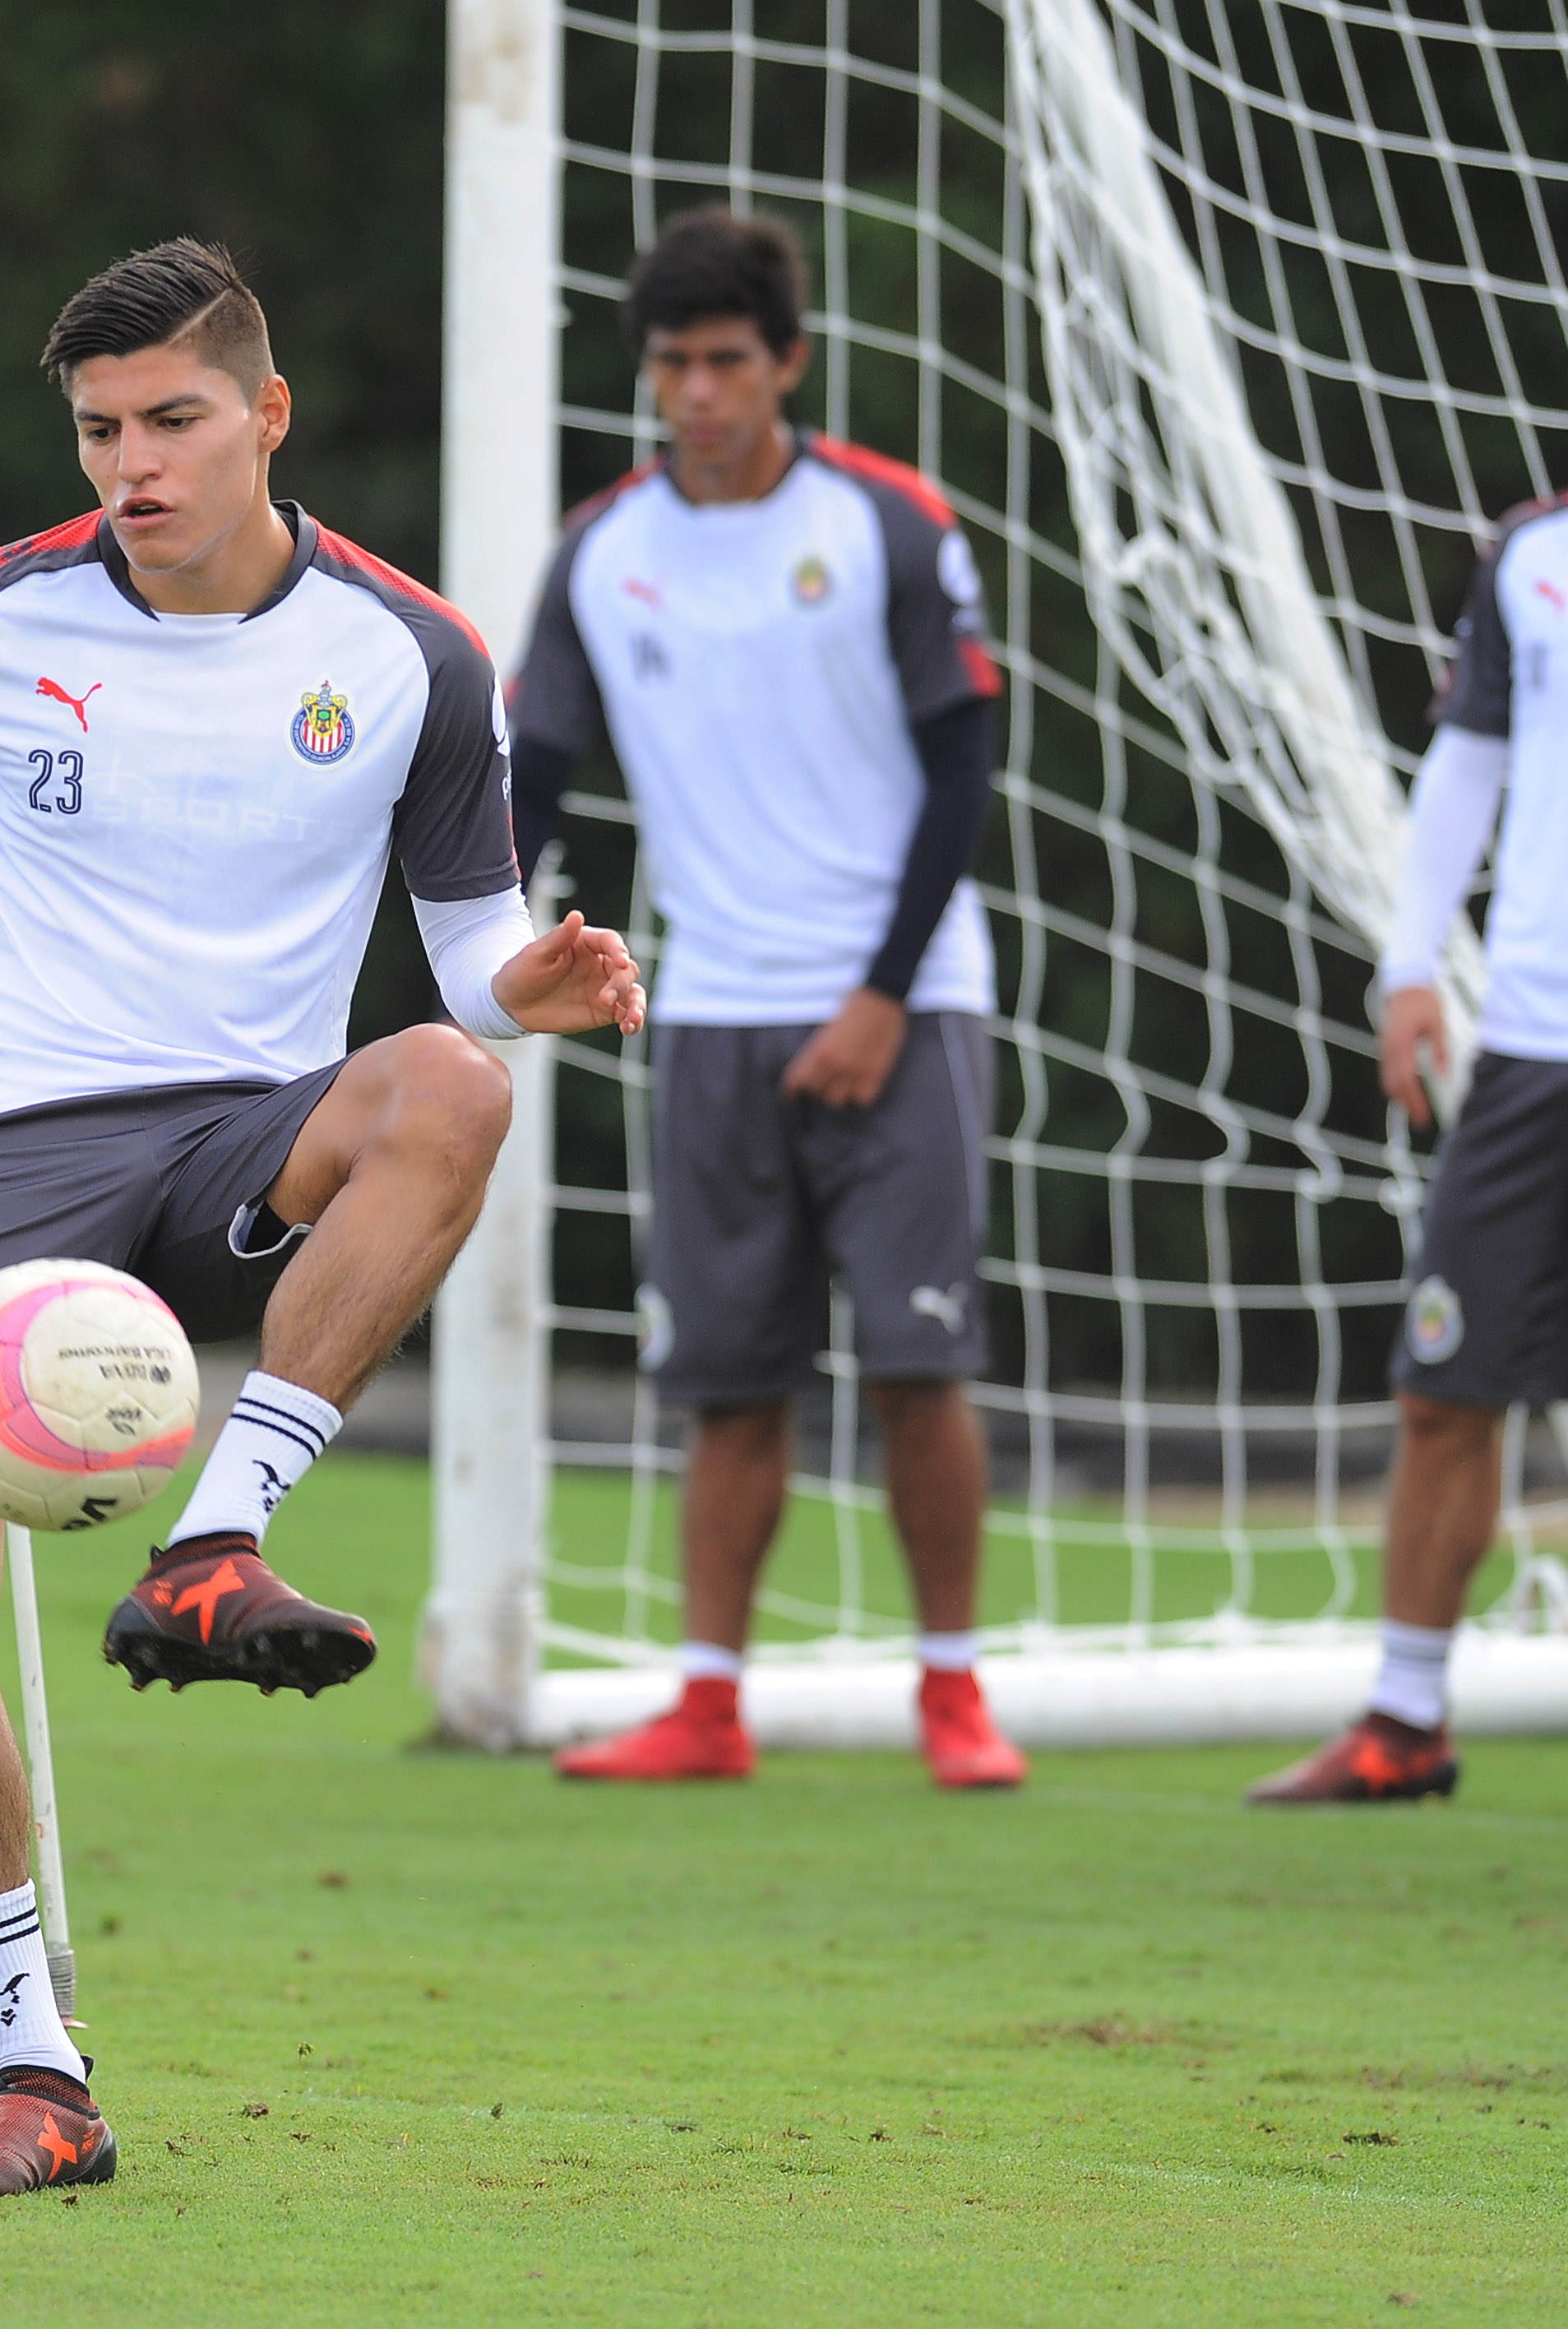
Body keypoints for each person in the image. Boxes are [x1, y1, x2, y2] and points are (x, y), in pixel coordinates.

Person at [0, 241, 645, 2193]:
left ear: (268, 415)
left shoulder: (412, 654)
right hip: (8, 1143)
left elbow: (471, 961)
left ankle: (212, 1543)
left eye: (171, 420)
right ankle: (38, 2078)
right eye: (98, 430)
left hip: (248, 1136)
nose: (130, 465)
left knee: (457, 1082)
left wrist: (539, 985)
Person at [505, 209, 1025, 1792]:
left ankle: (955, 1695)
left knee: (919, 1365)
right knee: (727, 1377)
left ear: (787, 362)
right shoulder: (602, 552)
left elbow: (966, 771)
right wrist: (484, 959)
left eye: (727, 361)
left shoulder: (888, 525)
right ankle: (708, 1704)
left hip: (903, 1007)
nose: (699, 392)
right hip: (711, 1008)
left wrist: (879, 995)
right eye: (672, 363)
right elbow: (534, 774)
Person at [1247, 248, 1568, 1814]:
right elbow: (1465, 768)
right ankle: (1403, 1720)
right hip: (1526, 1046)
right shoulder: (1535, 558)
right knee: (1442, 1387)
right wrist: (1410, 969)